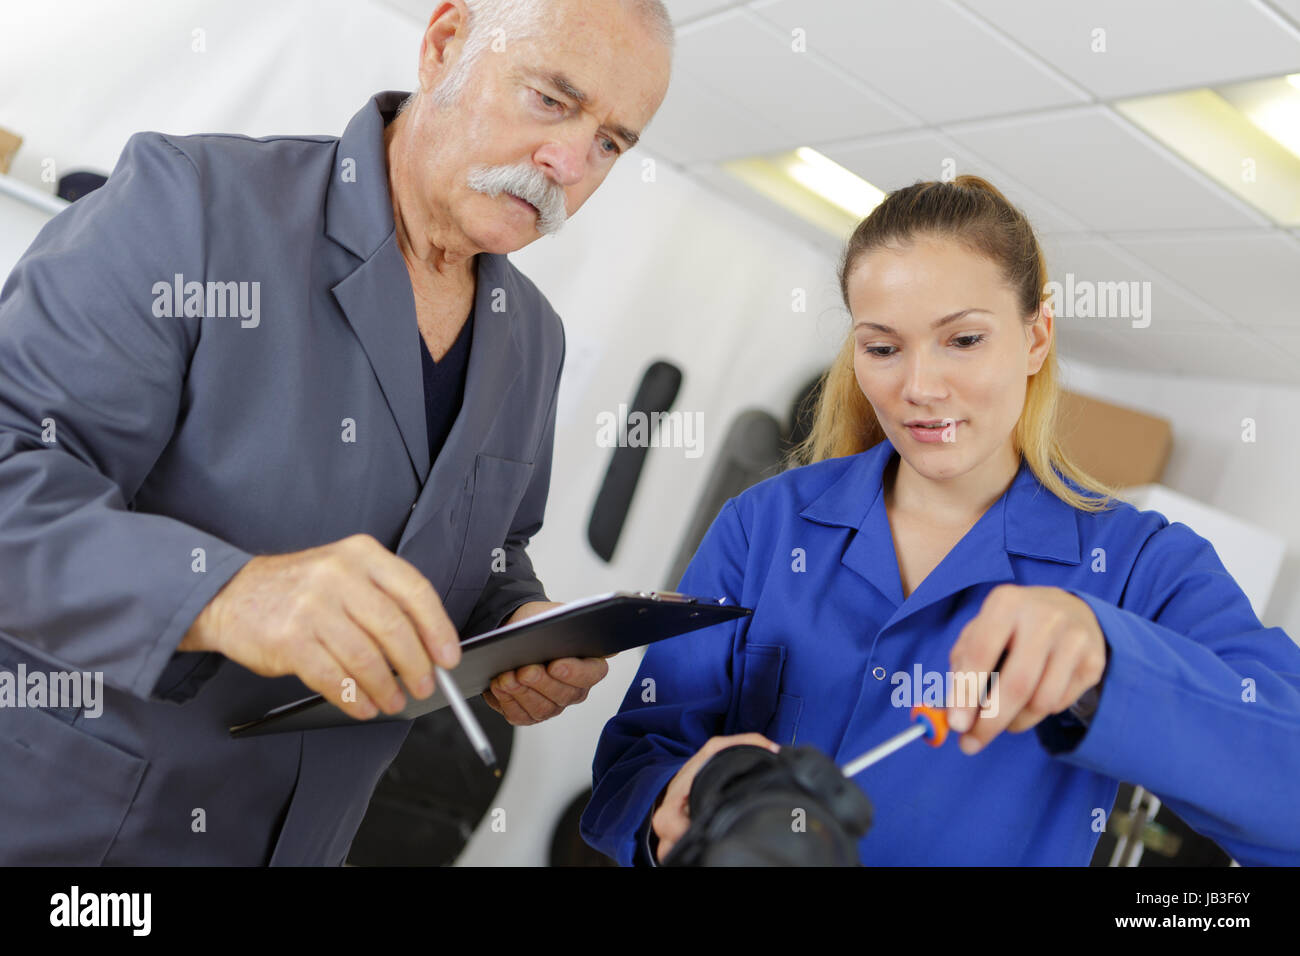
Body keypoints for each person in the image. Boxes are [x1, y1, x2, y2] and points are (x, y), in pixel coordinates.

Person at [0, 0, 672, 864]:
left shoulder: (531, 337)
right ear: (444, 45)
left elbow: (491, 545)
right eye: (551, 99)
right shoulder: (194, 205)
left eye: (612, 142)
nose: (569, 163)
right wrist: (227, 594)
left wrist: (520, 629)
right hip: (76, 826)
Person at [580, 175, 1300, 867]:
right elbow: (639, 755)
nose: (920, 388)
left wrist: (1110, 664)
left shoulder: (1145, 567)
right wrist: (670, 807)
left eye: (963, 340)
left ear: (1037, 337)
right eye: (884, 348)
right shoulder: (765, 525)